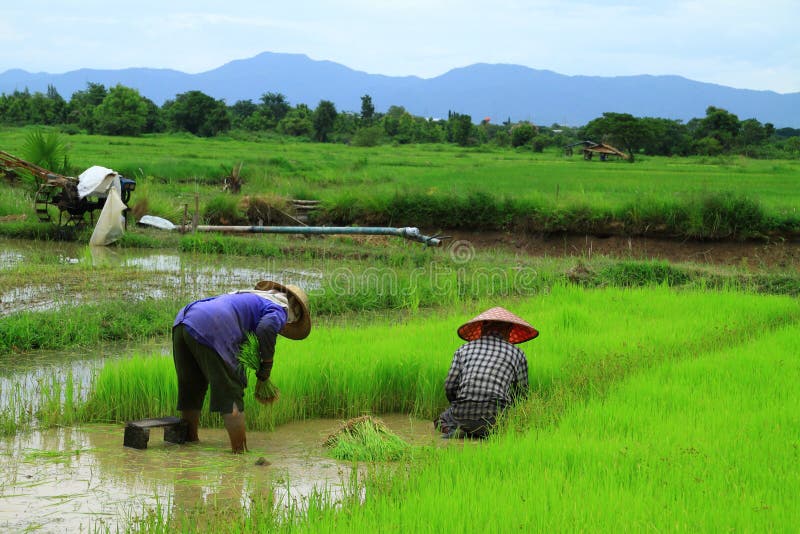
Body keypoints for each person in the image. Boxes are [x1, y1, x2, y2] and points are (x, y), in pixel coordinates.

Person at [172, 280, 311, 453]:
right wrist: (265, 368)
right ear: (295, 310)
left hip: (184, 320)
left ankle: (189, 446)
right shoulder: (279, 308)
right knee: (232, 390)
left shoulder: (251, 296)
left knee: (191, 388)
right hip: (214, 326)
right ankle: (240, 454)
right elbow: (266, 328)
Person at [435, 306, 538, 439]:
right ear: (508, 329)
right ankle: (486, 433)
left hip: (462, 414)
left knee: (441, 420)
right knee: (503, 424)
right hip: (496, 418)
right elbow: (522, 394)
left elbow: (450, 386)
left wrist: (458, 403)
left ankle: (461, 430)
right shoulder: (517, 353)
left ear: (482, 327)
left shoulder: (464, 349)